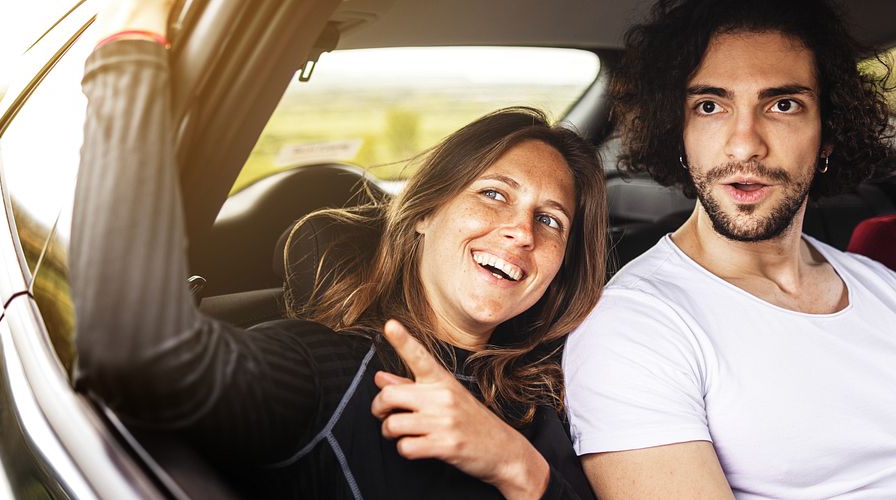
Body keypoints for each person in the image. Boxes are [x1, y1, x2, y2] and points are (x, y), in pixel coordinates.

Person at [70, 1, 607, 498]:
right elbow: (135, 354)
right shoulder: (330, 372)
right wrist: (128, 48)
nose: (521, 232)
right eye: (493, 194)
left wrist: (518, 466)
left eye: (550, 220)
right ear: (423, 212)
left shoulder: (558, 396)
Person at [562, 0, 896, 498]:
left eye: (782, 105)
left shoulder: (880, 284)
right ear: (679, 133)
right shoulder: (635, 326)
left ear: (827, 134)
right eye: (711, 106)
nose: (744, 145)